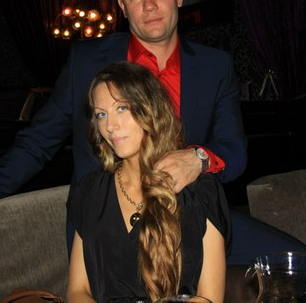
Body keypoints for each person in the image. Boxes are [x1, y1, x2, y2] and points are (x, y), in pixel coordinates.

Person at [0, 0, 306, 264]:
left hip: (192, 212)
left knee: (298, 262)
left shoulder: (215, 65)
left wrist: (199, 159)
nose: (149, 5)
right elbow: (39, 139)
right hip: (110, 222)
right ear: (122, 6)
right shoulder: (88, 61)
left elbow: (235, 151)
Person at [68, 61, 230, 302]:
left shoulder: (199, 192)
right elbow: (77, 291)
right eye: (101, 114)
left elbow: (210, 298)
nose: (110, 126)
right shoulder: (90, 191)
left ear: (151, 110)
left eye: (122, 108)